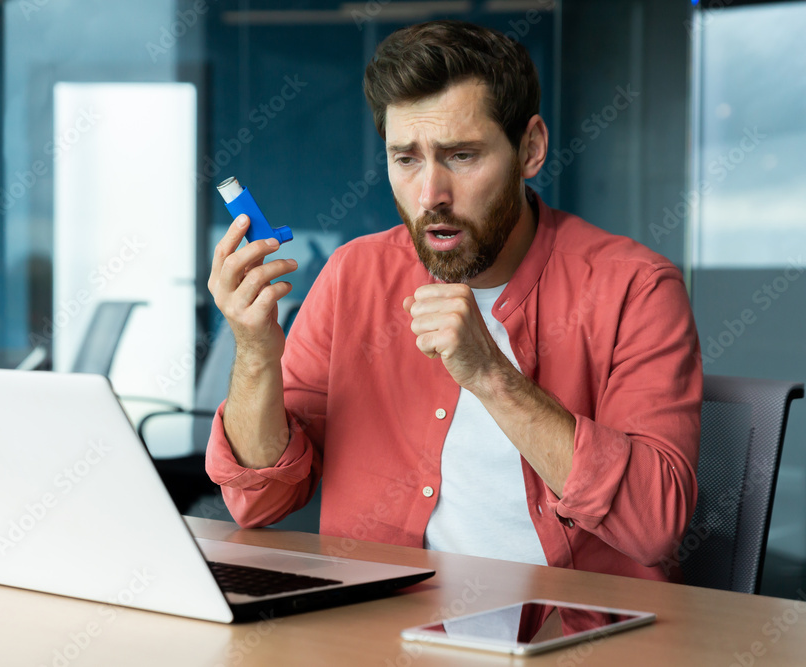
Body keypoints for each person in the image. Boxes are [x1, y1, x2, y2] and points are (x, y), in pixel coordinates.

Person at [205, 20, 702, 583]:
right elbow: (258, 501)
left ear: (531, 148)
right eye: (406, 159)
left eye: (461, 156)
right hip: (378, 630)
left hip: (570, 637)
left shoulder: (635, 288)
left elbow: (655, 526)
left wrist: (490, 373)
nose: (429, 196)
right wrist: (254, 353)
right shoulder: (354, 276)